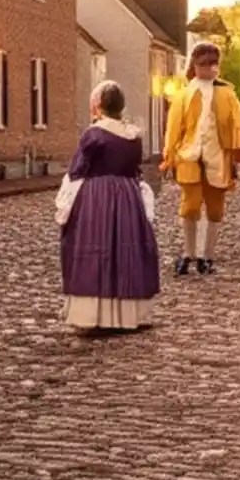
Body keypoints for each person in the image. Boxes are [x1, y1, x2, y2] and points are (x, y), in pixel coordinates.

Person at [56, 81, 160, 331]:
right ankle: (127, 314)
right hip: (127, 195)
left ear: (99, 105)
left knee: (95, 248)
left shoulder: (94, 135)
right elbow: (135, 170)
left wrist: (65, 201)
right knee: (126, 248)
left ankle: (93, 314)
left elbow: (77, 170)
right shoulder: (133, 137)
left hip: (97, 196)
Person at [160, 42, 240, 276]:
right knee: (189, 205)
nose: (207, 69)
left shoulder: (227, 93)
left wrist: (239, 152)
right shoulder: (184, 94)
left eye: (212, 64)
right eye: (202, 64)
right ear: (194, 65)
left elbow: (237, 123)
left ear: (217, 66)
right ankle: (189, 252)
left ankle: (207, 255)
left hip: (218, 156)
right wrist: (169, 156)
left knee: (215, 208)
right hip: (189, 154)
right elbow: (173, 127)